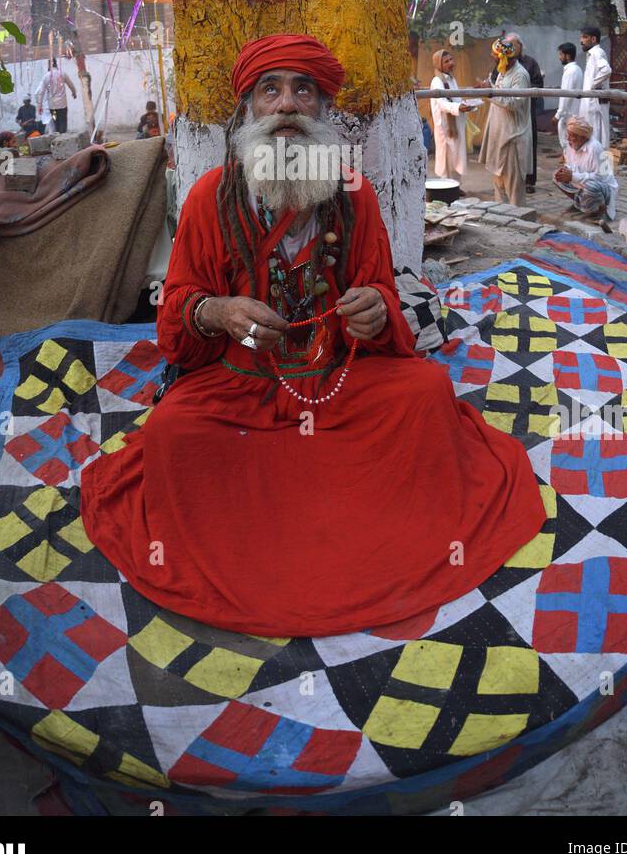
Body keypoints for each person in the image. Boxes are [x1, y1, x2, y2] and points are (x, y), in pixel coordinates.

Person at [81, 32, 545, 636]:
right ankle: (272, 543)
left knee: (425, 394)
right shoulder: (208, 198)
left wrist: (375, 309)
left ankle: (363, 533)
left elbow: (381, 291)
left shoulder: (354, 195)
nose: (287, 105)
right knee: (174, 431)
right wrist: (218, 313)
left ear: (324, 111)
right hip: (242, 385)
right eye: (270, 90)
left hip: (337, 379)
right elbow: (176, 316)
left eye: (304, 90)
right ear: (249, 110)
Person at [478, 38, 532, 206]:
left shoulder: (520, 75)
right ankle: (501, 219)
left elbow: (514, 103)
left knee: (513, 186)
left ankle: (519, 224)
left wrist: (490, 92)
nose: (491, 56)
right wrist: (490, 87)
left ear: (501, 57)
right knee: (499, 184)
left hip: (512, 137)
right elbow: (499, 93)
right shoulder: (502, 71)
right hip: (499, 136)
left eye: (494, 54)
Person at [553, 115, 617, 233]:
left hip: (604, 188)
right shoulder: (570, 145)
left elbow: (601, 178)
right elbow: (570, 165)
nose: (568, 138)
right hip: (581, 183)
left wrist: (572, 176)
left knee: (591, 187)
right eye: (568, 135)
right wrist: (565, 171)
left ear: (581, 137)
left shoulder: (596, 148)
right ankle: (579, 204)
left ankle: (599, 211)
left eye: (571, 136)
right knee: (557, 176)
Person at [503, 33, 543, 192]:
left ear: (520, 45)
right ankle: (509, 178)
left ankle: (529, 181)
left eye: (514, 45)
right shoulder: (503, 62)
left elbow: (538, 83)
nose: (511, 48)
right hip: (508, 111)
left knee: (528, 142)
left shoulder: (530, 63)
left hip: (526, 110)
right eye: (508, 45)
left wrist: (521, 88)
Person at [429, 48, 477, 179]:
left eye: (451, 59)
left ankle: (456, 185)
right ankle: (447, 190)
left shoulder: (451, 78)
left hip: (456, 125)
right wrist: (458, 107)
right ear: (439, 64)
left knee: (457, 157)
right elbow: (442, 104)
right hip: (446, 128)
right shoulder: (437, 81)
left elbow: (456, 99)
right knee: (446, 160)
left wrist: (465, 105)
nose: (451, 63)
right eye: (446, 61)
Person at [580, 25, 612, 149]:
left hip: (595, 102)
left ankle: (598, 166)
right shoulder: (592, 54)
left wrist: (592, 86)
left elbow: (606, 70)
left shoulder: (596, 52)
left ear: (593, 39)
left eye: (584, 37)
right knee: (593, 134)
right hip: (592, 102)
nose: (581, 41)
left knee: (597, 135)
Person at [553, 42, 584, 147]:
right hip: (573, 112)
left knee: (568, 143)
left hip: (568, 114)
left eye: (561, 54)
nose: (559, 57)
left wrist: (558, 115)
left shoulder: (571, 72)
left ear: (568, 56)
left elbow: (566, 95)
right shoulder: (577, 69)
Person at [35, 59, 76, 134]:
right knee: (63, 122)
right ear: (56, 64)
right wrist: (74, 93)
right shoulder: (62, 73)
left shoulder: (46, 76)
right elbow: (71, 85)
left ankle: (58, 140)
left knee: (56, 122)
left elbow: (41, 92)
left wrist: (40, 106)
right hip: (62, 105)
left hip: (52, 107)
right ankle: (63, 139)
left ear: (48, 65)